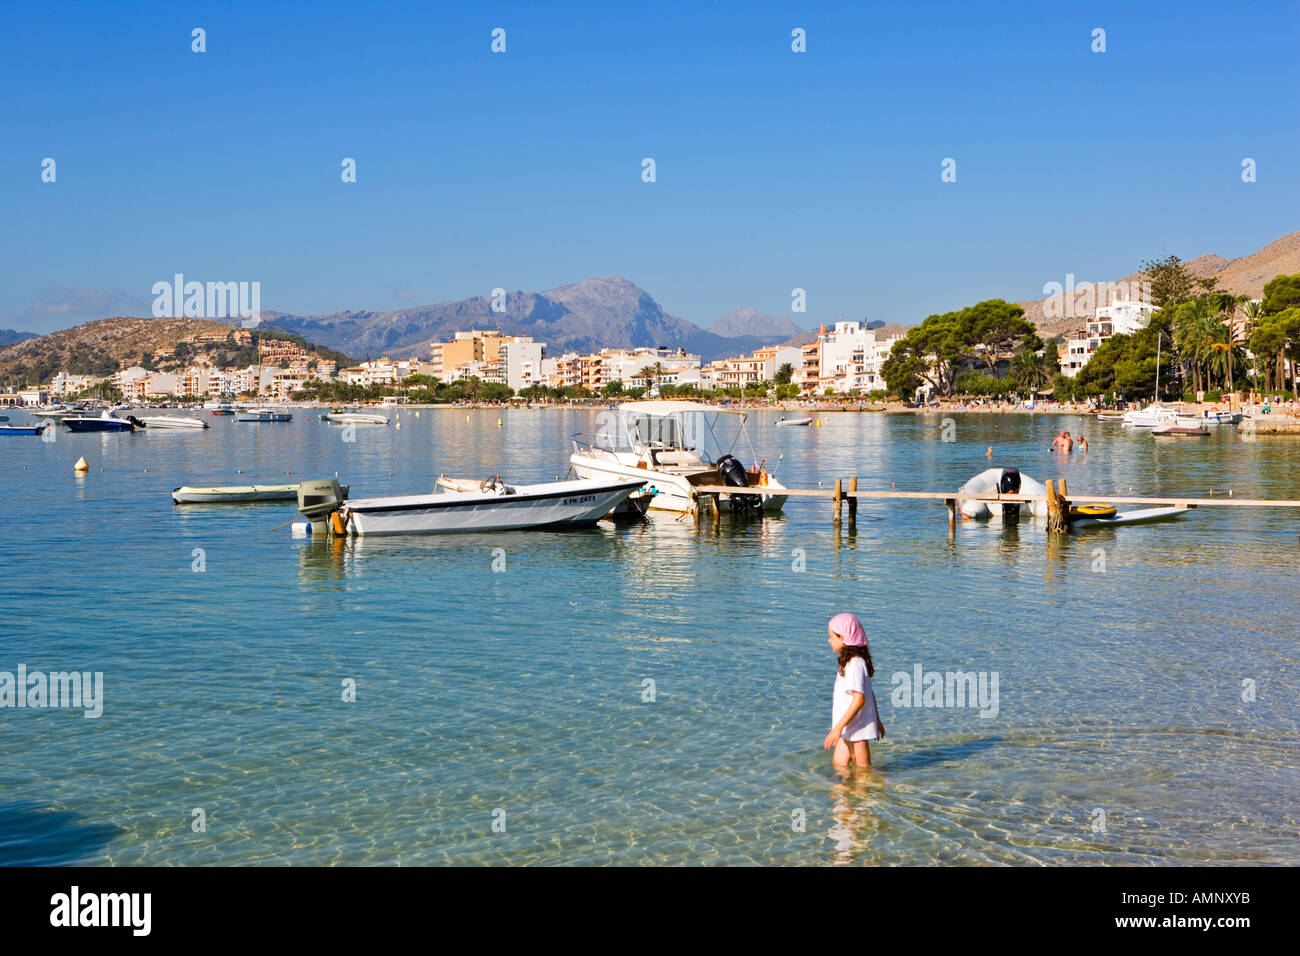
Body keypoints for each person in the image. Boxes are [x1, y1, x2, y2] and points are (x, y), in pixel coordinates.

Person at [823, 612, 883, 770]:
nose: (829, 640)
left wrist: (836, 729)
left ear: (843, 638)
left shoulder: (855, 664)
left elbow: (860, 698)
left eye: (831, 637)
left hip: (858, 729)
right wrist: (877, 720)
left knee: (863, 771)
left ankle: (870, 793)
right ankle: (847, 794)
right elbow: (870, 693)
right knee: (839, 765)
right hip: (847, 727)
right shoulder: (846, 662)